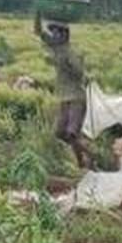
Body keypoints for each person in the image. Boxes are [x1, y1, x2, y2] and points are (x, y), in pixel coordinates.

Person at [35, 13, 92, 169]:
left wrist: (65, 65)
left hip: (76, 98)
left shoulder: (70, 52)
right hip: (64, 98)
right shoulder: (57, 48)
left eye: (56, 32)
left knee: (71, 133)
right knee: (59, 133)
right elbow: (38, 32)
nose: (53, 35)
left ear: (64, 34)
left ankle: (85, 161)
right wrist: (38, 12)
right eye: (52, 31)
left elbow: (79, 72)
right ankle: (87, 155)